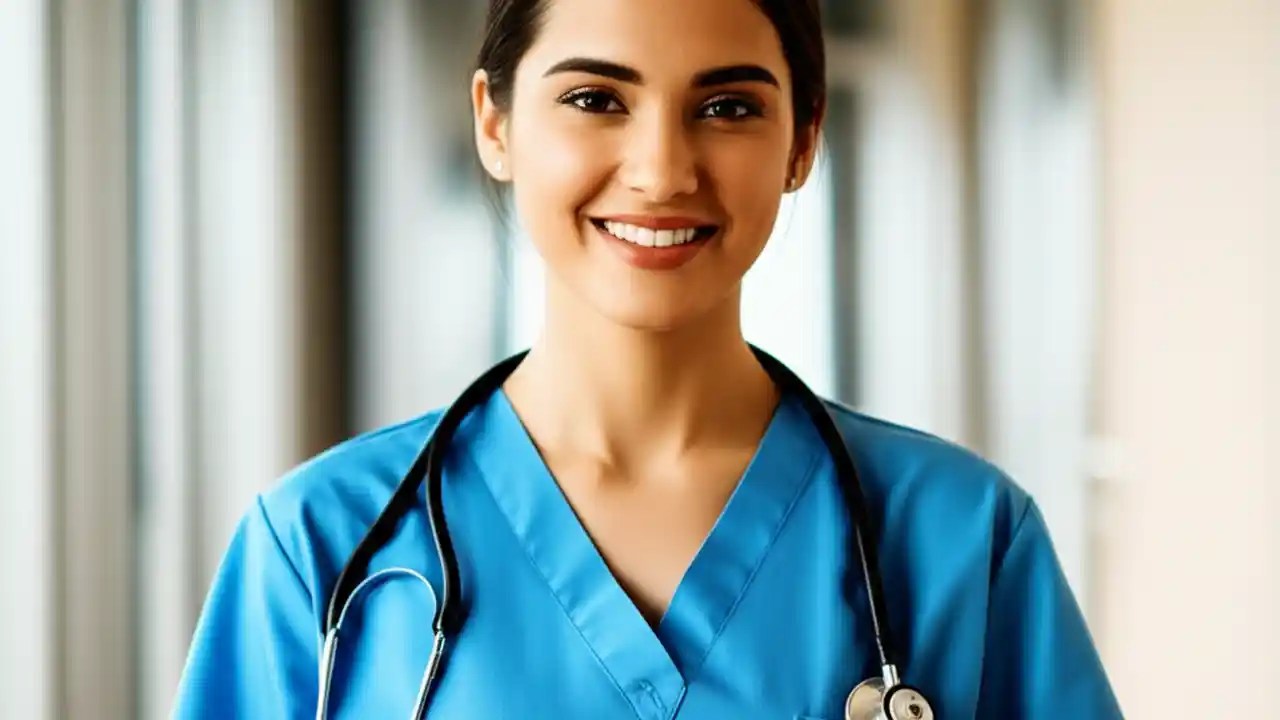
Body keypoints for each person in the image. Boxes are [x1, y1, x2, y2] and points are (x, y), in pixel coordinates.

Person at [173, 0, 1123, 717]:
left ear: (803, 139)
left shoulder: (962, 539)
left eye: (727, 105)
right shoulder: (320, 547)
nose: (662, 169)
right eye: (595, 98)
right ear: (495, 123)